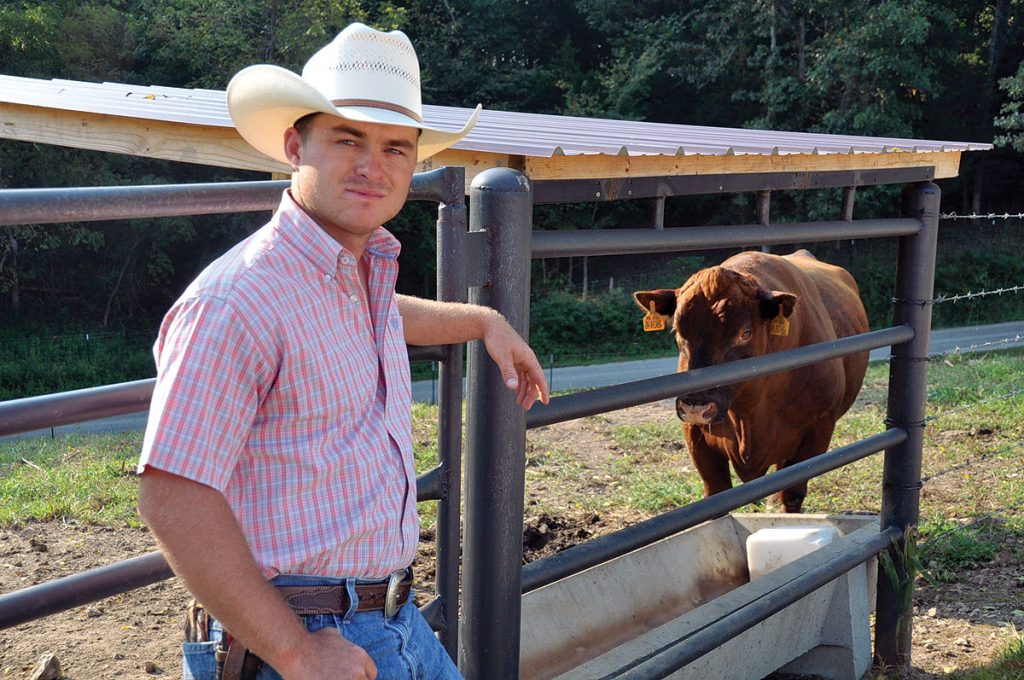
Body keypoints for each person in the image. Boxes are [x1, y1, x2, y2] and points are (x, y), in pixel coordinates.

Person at [136, 22, 549, 680]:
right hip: (297, 637)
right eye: (347, 139)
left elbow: (387, 315)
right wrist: (295, 651)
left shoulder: (357, 279)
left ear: (413, 162)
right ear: (296, 142)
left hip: (393, 620)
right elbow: (171, 494)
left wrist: (482, 320)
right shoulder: (235, 301)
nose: (372, 165)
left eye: (394, 147)